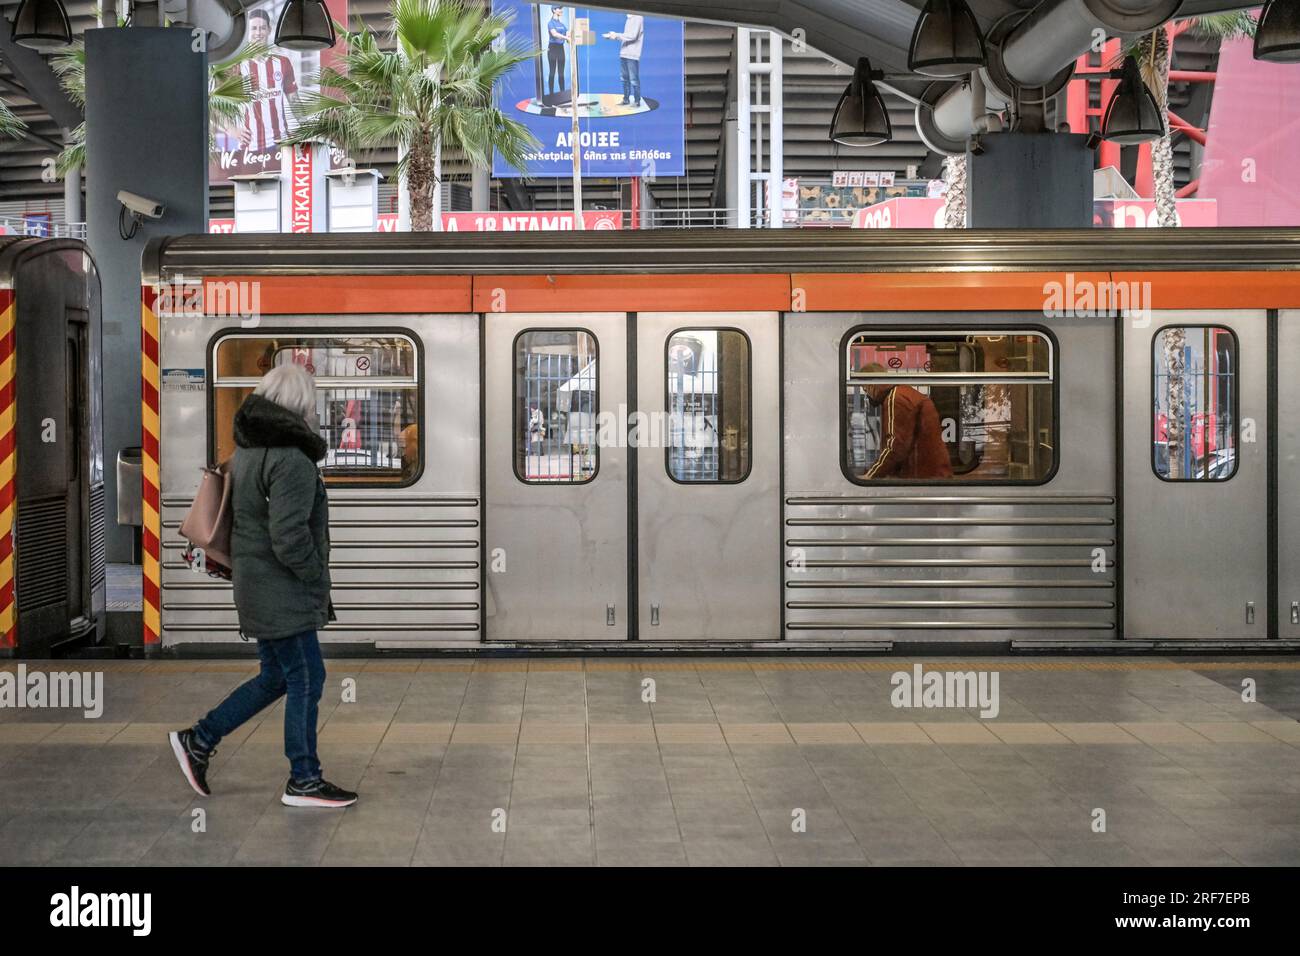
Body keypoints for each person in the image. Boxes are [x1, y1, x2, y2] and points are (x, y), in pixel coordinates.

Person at [169, 364, 357, 809]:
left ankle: (199, 740)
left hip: (256, 584)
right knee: (308, 676)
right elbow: (289, 535)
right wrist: (315, 576)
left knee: (277, 676)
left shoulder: (250, 450)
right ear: (300, 407)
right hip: (282, 590)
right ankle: (304, 780)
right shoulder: (291, 459)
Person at [858, 362, 954, 480]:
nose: (868, 394)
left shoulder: (895, 398)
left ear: (871, 385)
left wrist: (871, 475)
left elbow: (896, 446)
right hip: (930, 472)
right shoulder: (905, 392)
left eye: (865, 388)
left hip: (921, 475)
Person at [238, 8, 299, 153]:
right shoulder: (237, 66)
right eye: (254, 28)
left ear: (269, 30)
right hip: (250, 148)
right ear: (248, 32)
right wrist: (232, 130)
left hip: (282, 144)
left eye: (262, 28)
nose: (258, 33)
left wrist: (307, 130)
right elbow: (216, 106)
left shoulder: (283, 62)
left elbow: (295, 103)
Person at [603, 14, 644, 107]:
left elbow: (632, 36)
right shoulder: (629, 18)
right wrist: (613, 36)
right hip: (624, 53)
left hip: (632, 54)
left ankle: (637, 101)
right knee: (624, 79)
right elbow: (626, 36)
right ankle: (626, 100)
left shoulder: (638, 17)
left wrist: (616, 35)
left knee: (633, 79)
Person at [546, 6, 569, 97]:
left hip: (560, 48)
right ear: (554, 10)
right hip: (552, 48)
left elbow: (567, 32)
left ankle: (562, 93)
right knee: (552, 72)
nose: (561, 10)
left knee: (561, 73)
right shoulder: (550, 23)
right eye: (559, 8)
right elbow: (554, 34)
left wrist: (568, 35)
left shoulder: (562, 24)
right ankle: (551, 95)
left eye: (561, 8)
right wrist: (566, 37)